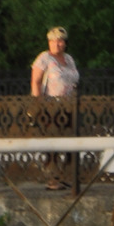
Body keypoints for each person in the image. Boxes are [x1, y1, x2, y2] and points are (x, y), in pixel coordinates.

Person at [31, 27, 80, 190]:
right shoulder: (44, 58)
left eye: (60, 41)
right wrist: (38, 104)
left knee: (69, 142)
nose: (56, 44)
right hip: (50, 106)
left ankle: (66, 176)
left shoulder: (69, 59)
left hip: (69, 106)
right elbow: (36, 81)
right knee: (53, 143)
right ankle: (52, 178)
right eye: (53, 41)